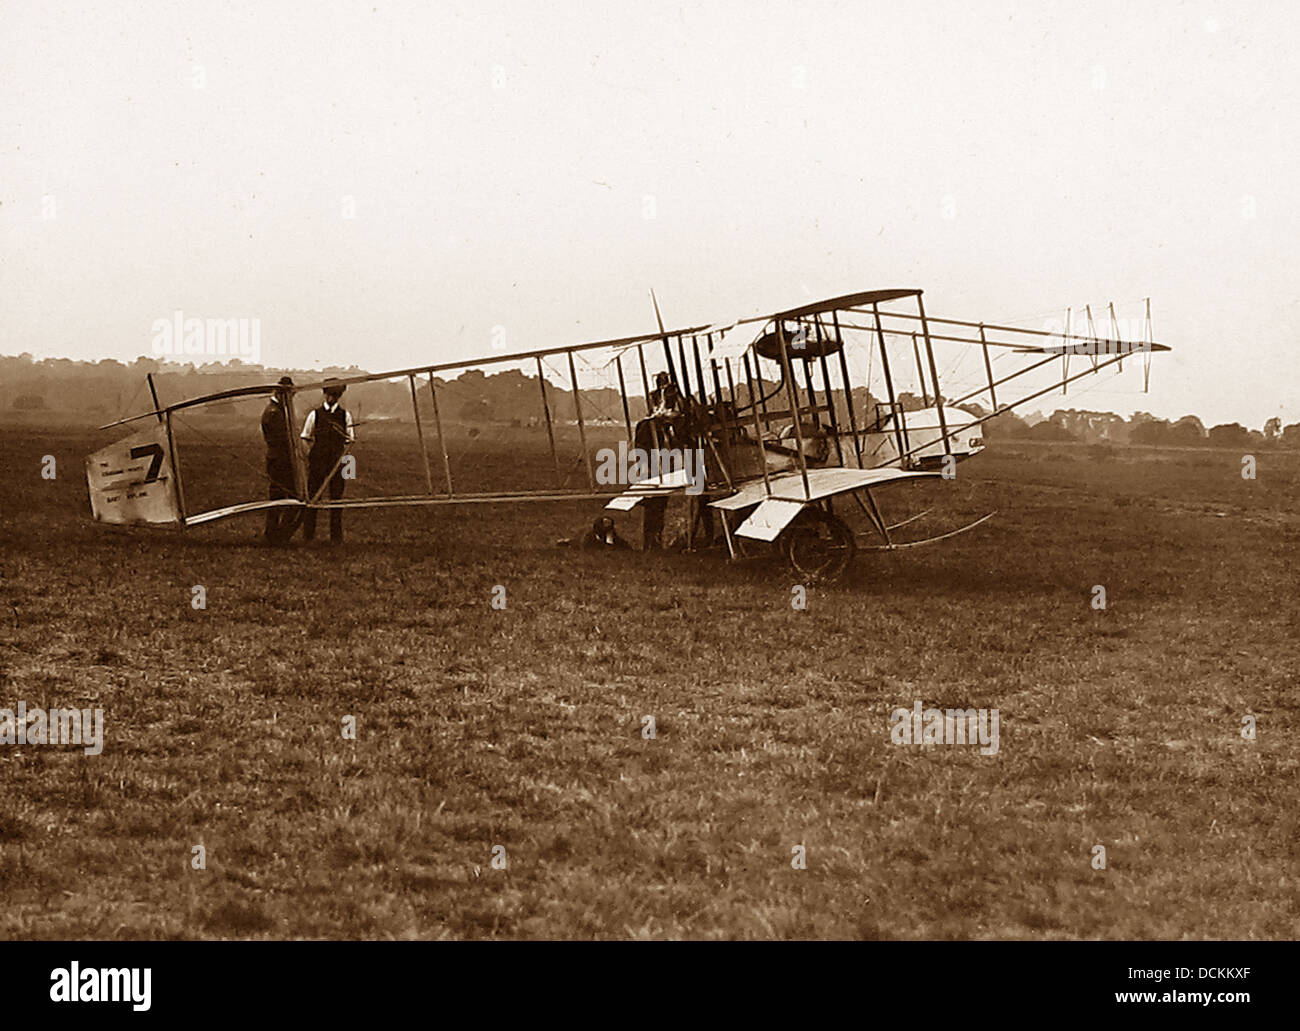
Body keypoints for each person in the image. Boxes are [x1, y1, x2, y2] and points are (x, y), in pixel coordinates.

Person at [299, 379, 354, 544]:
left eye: (335, 395)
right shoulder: (314, 414)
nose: (331, 398)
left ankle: (336, 538)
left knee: (337, 499)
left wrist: (344, 462)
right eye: (329, 394)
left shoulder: (346, 415)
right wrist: (311, 456)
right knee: (313, 499)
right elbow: (305, 437)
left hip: (337, 464)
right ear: (325, 394)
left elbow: (350, 440)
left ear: (339, 396)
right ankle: (308, 536)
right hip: (318, 463)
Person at [260, 376, 296, 545]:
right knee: (292, 498)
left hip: (277, 459)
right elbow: (281, 440)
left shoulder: (276, 410)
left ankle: (274, 534)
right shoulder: (274, 413)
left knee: (278, 498)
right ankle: (278, 535)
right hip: (279, 461)